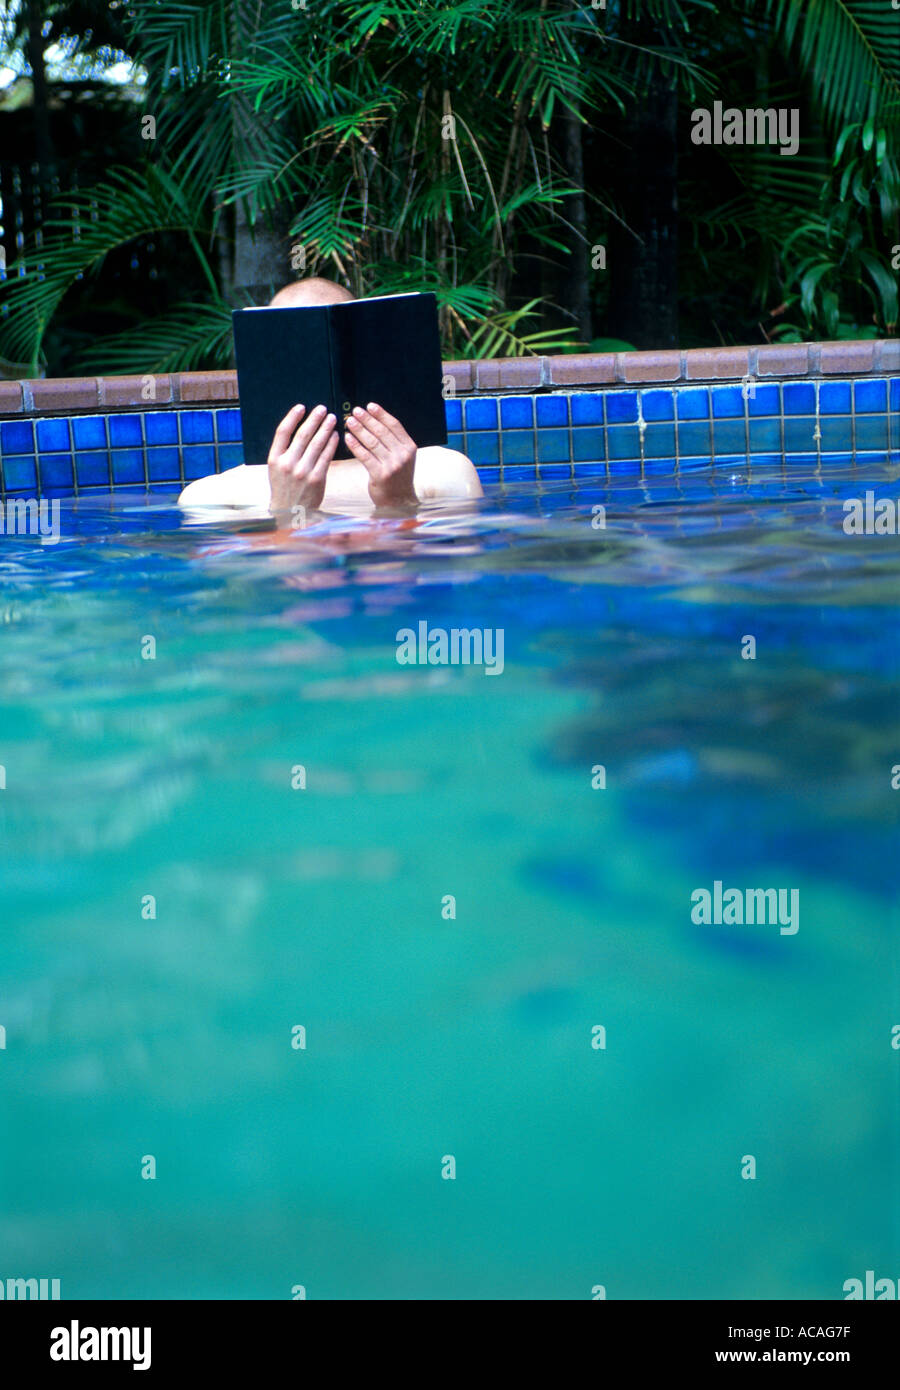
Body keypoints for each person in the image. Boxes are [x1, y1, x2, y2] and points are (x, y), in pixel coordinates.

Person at [178, 277, 482, 517]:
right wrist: (287, 510)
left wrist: (399, 500)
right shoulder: (214, 498)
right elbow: (258, 592)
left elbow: (450, 579)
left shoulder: (444, 472)